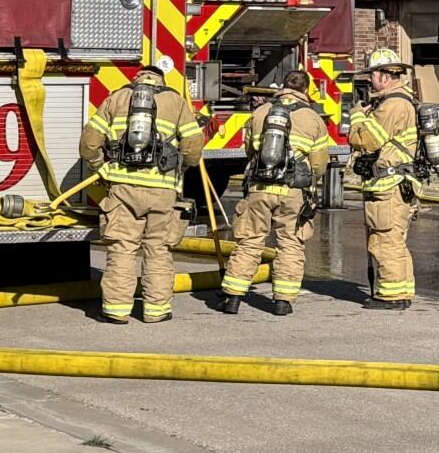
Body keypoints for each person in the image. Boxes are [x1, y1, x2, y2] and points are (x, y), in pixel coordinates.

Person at [79, 60, 203, 323]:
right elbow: (193, 147)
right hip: (163, 190)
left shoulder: (117, 98)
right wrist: (180, 169)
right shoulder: (176, 102)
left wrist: (99, 167)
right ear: (161, 81)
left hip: (122, 188)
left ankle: (115, 310)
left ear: (137, 78)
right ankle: (156, 311)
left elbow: (90, 142)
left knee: (122, 248)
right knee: (158, 249)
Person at [218, 71, 330, 315]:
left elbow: (249, 150)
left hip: (259, 187)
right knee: (290, 243)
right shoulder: (313, 118)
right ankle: (282, 302)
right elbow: (320, 163)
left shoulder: (260, 112)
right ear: (306, 90)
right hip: (293, 191)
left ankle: (233, 298)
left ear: (281, 87)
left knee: (249, 241)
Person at [347, 48, 421, 310]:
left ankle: (390, 296)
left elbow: (364, 140)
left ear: (385, 76)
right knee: (394, 240)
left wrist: (356, 116)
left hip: (388, 186)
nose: (370, 81)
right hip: (396, 184)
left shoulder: (393, 105)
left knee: (384, 241)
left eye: (373, 75)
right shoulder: (400, 101)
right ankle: (400, 292)